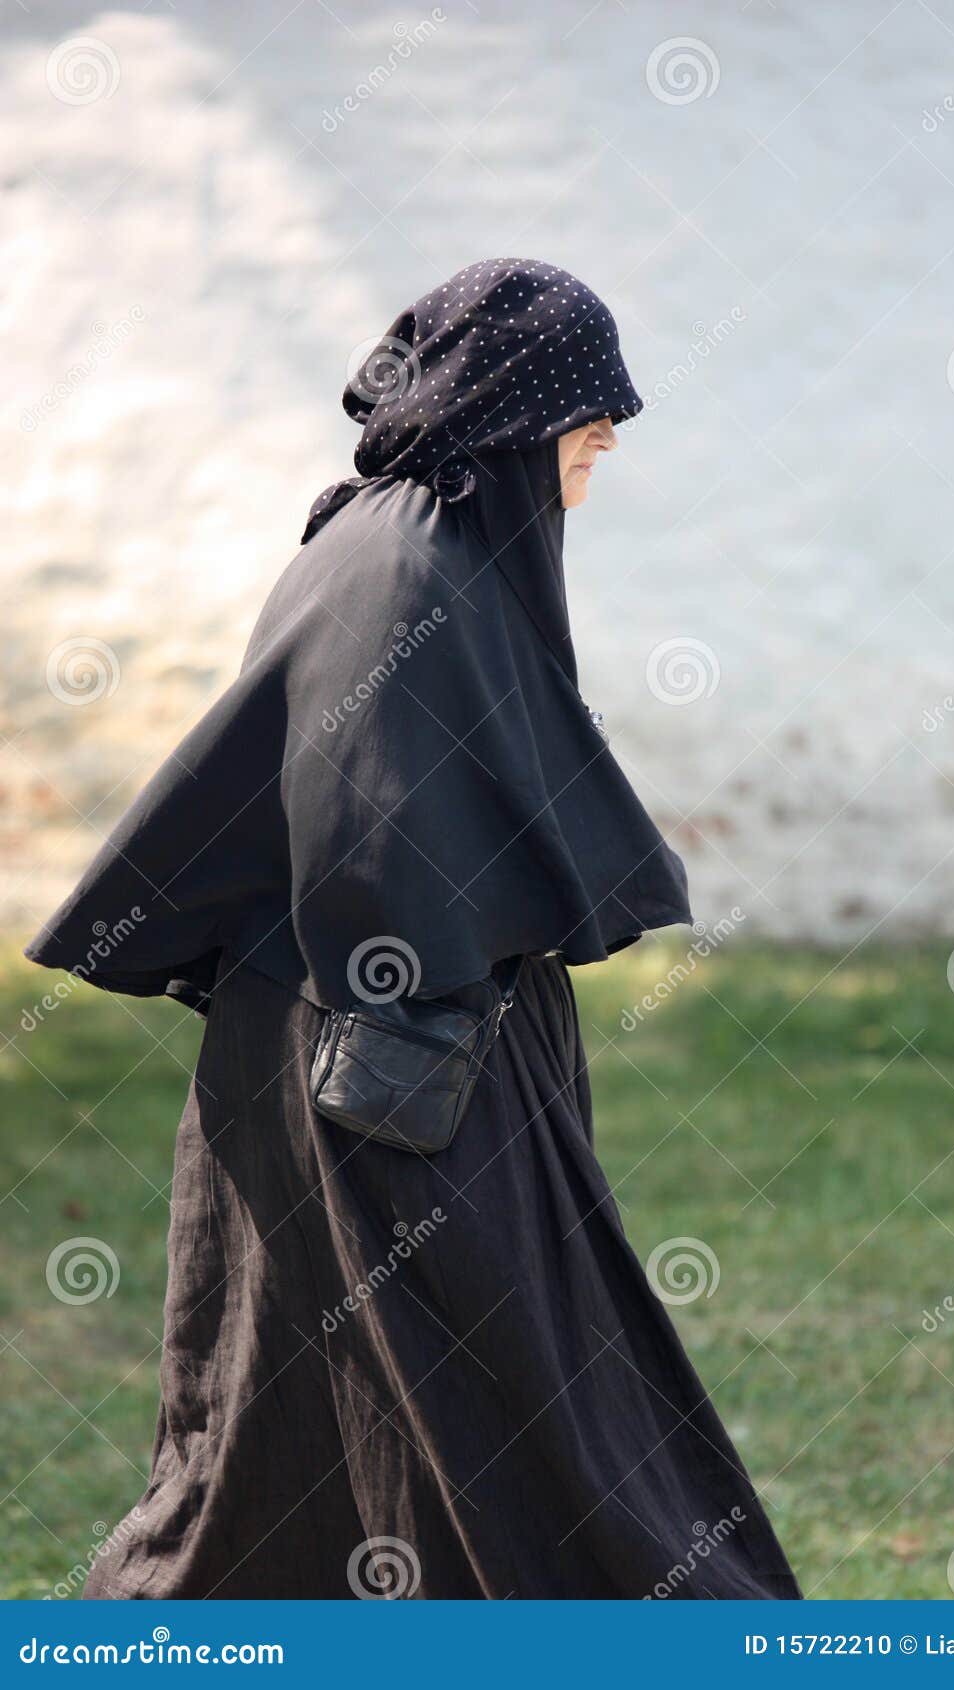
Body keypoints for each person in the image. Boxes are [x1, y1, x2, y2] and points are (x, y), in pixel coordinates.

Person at [26, 258, 801, 1600]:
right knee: (548, 1415)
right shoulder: (407, 565)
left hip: (365, 1054)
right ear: (509, 420)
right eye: (583, 423)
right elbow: (363, 819)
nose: (602, 447)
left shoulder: (400, 540)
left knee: (330, 1425)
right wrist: (425, 1004)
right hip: (395, 1073)